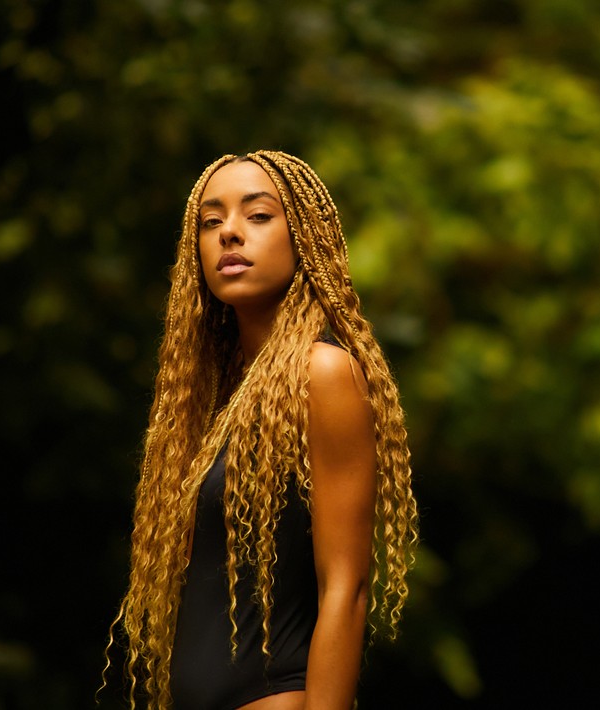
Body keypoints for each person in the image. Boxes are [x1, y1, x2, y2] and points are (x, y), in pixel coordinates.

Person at [103, 151, 418, 709]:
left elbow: (346, 590)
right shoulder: (215, 399)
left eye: (258, 215)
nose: (229, 233)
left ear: (304, 238)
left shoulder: (323, 375)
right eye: (211, 220)